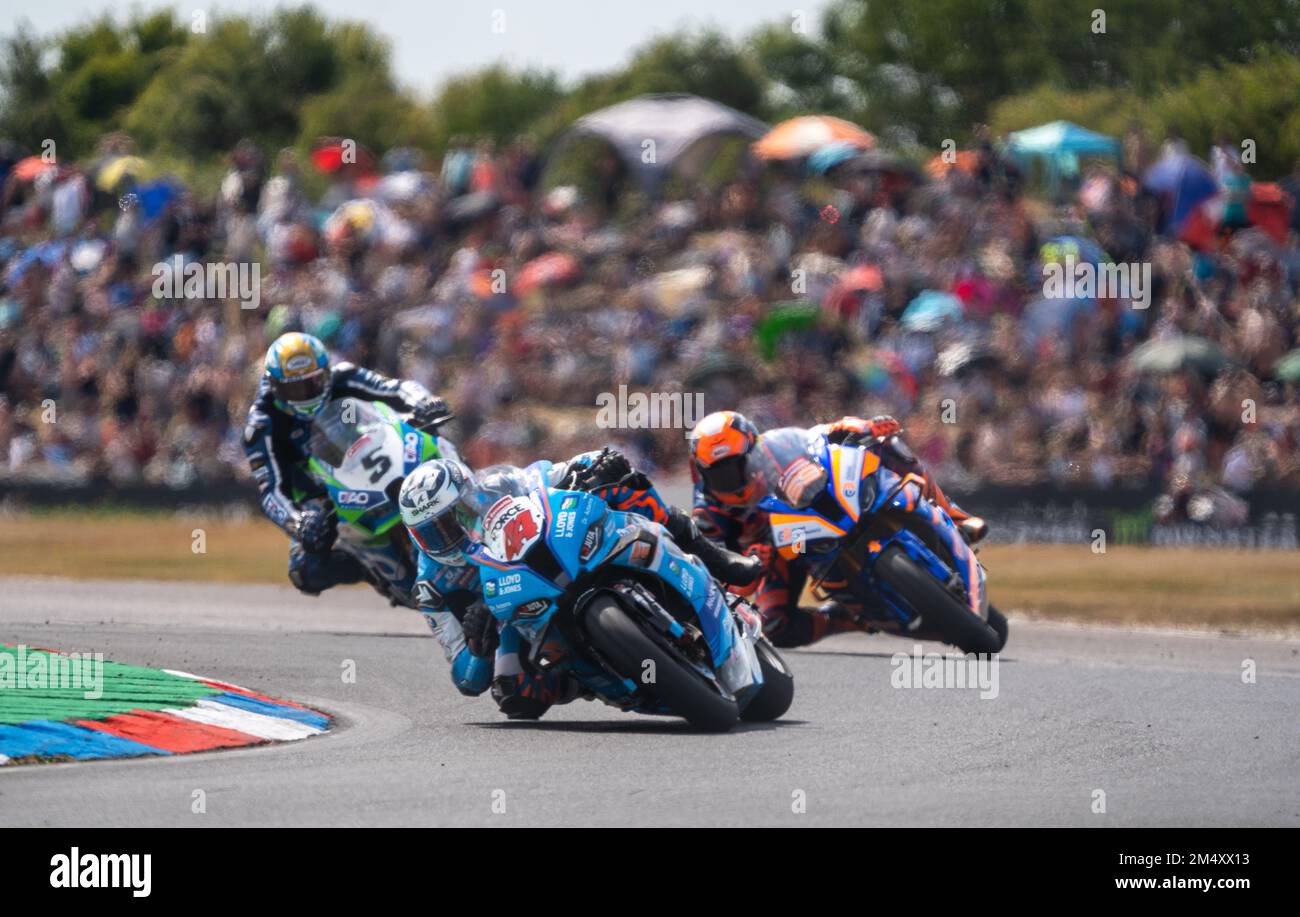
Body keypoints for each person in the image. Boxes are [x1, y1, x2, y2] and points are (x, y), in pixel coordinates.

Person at [397, 448, 763, 720]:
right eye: (432, 533)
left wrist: (597, 463)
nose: (449, 536)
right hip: (514, 615)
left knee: (624, 485)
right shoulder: (431, 584)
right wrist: (478, 648)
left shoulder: (501, 487)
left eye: (453, 517)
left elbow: (558, 472)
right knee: (514, 696)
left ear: (470, 494)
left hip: (560, 552)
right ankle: (589, 677)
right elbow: (465, 680)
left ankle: (708, 554)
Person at [688, 410, 987, 648]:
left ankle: (954, 515)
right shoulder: (707, 513)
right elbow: (718, 574)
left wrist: (860, 426)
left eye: (737, 466)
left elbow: (819, 436)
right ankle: (849, 618)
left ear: (752, 450)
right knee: (774, 626)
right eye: (721, 474)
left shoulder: (775, 444)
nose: (733, 479)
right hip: (783, 551)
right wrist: (749, 566)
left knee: (885, 444)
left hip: (815, 508)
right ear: (702, 472)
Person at [244, 331, 454, 597]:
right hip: (318, 493)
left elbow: (395, 388)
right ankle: (373, 570)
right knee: (305, 571)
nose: (306, 394)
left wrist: (425, 402)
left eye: (314, 382)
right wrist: (297, 521)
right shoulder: (262, 425)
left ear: (326, 372)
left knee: (436, 442)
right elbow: (270, 491)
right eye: (294, 388)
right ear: (275, 387)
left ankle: (477, 500)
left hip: (377, 456)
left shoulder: (344, 376)